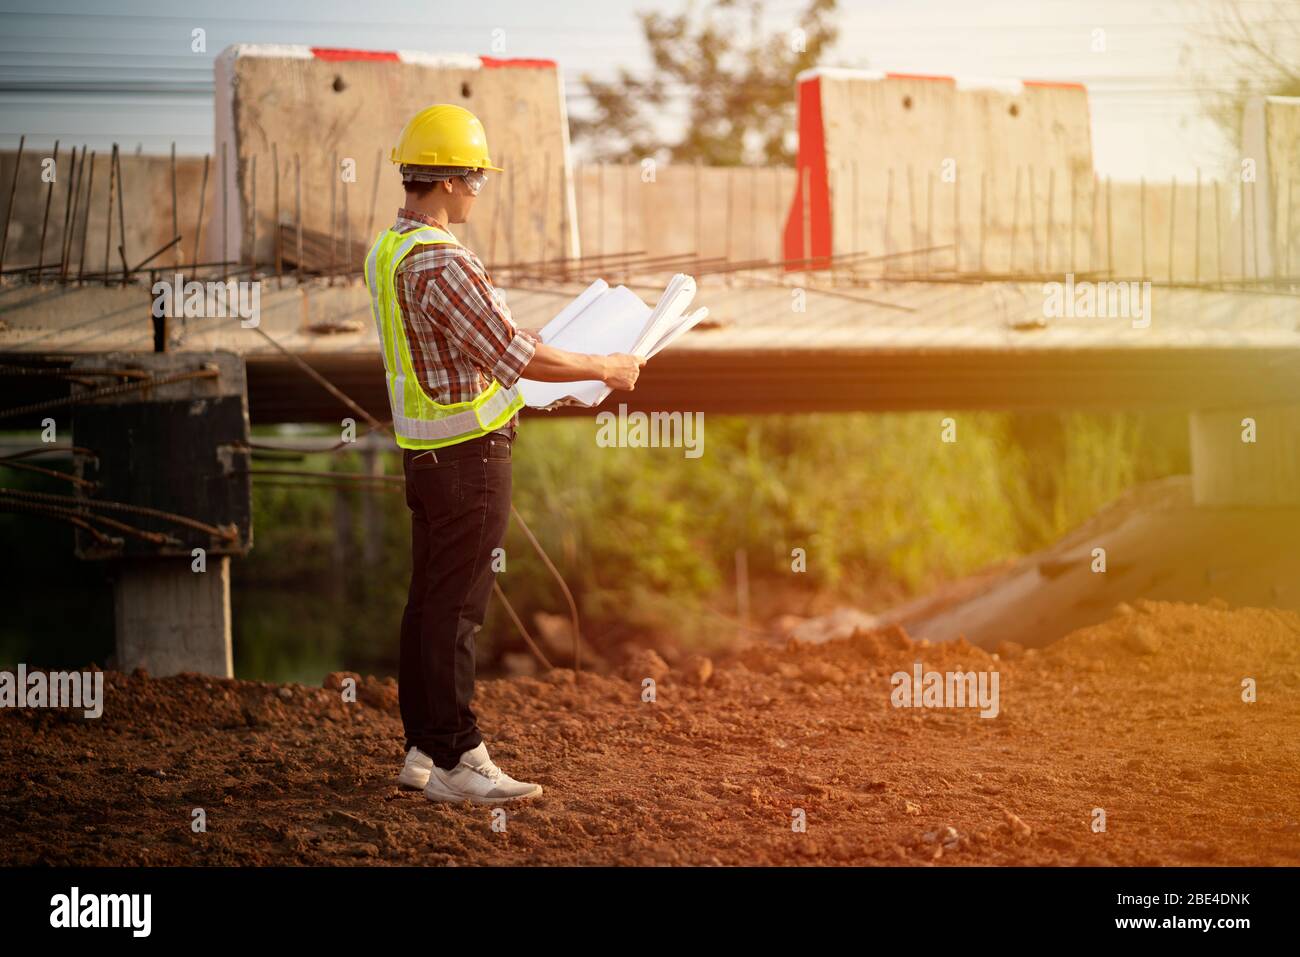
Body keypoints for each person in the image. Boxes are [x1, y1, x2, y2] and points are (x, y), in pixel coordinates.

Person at [364, 104, 644, 804]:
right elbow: (513, 354)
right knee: (458, 610)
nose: (478, 192)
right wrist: (605, 366)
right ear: (452, 180)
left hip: (427, 458)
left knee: (428, 604)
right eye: (476, 179)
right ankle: (461, 756)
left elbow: (477, 344)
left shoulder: (389, 249)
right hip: (470, 460)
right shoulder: (440, 260)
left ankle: (424, 748)